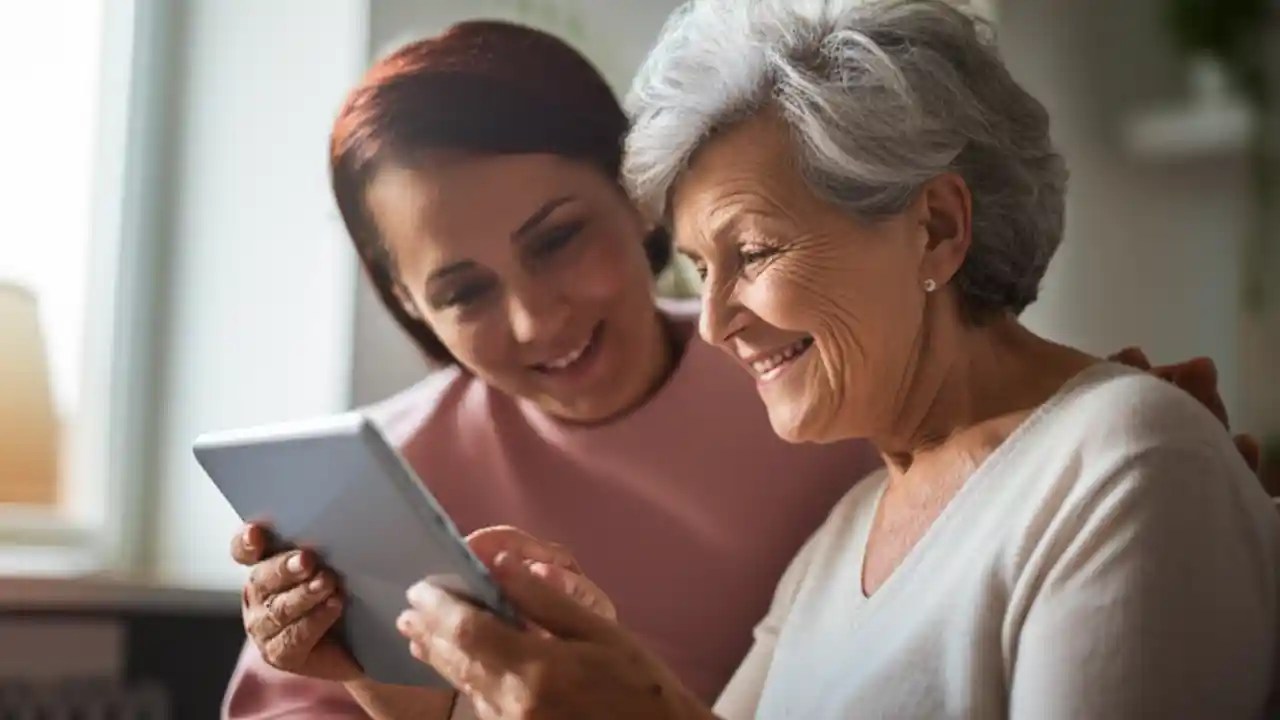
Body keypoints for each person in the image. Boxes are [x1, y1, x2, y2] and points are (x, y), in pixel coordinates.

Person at [391, 2, 1280, 718]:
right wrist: (571, 669)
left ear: (936, 227)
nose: (714, 323)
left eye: (754, 252)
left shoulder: (1123, 463)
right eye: (700, 269)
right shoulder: (847, 533)